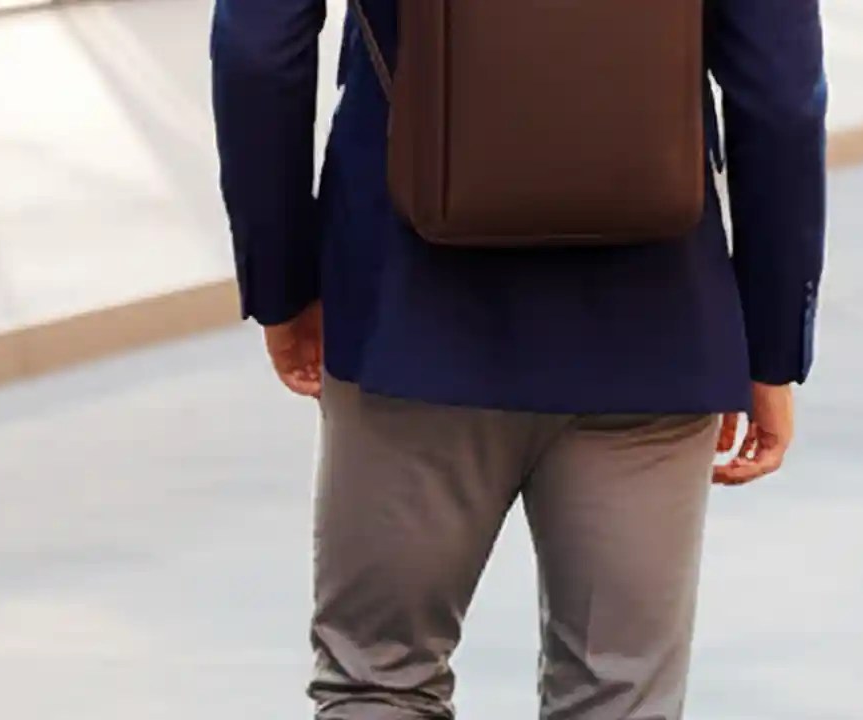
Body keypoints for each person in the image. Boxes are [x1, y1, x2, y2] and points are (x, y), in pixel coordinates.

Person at [211, 0, 826, 716]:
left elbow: (257, 48)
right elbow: (781, 96)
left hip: (408, 309)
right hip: (654, 321)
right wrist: (770, 342)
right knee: (619, 695)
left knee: (379, 680)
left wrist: (283, 282)